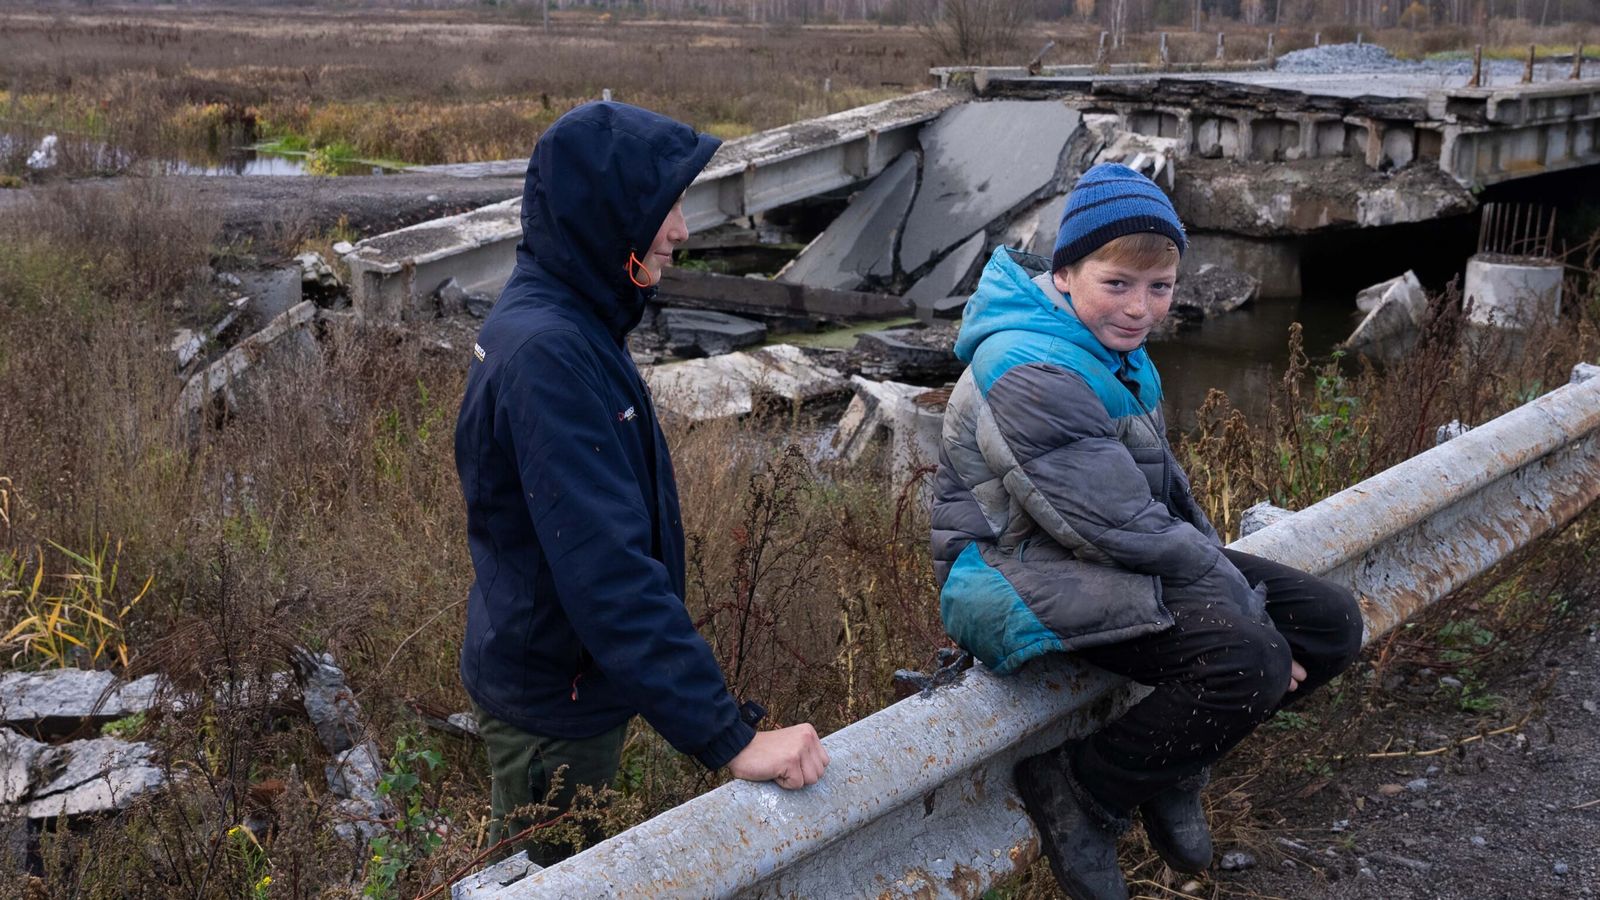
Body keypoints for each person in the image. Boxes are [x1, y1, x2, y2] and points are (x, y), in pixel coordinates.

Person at [929, 163, 1363, 899]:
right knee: (1251, 658)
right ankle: (1081, 788)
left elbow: (1157, 497)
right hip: (1010, 578)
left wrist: (1229, 582)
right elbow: (1118, 526)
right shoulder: (1027, 368)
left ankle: (1171, 764)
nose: (1140, 308)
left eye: (1160, 287)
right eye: (1117, 283)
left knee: (1328, 625)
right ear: (1065, 273)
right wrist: (1240, 603)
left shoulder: (1111, 350)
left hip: (1091, 558)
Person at [454, 101, 830, 866]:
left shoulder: (574, 318)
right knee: (553, 880)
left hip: (565, 681)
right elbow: (608, 574)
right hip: (554, 709)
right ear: (608, 216)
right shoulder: (550, 355)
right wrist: (732, 738)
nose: (681, 230)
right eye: (665, 208)